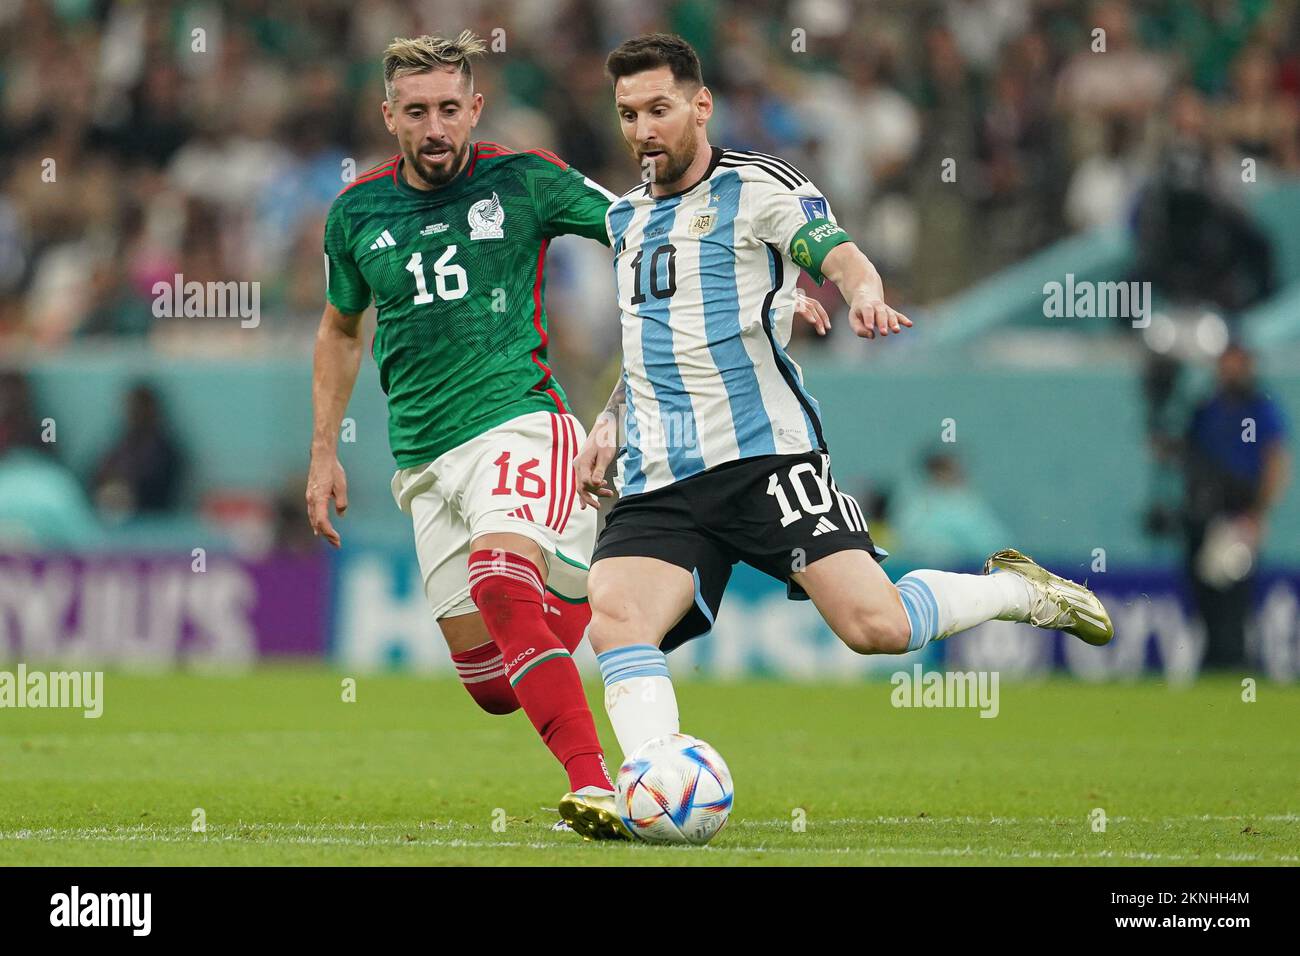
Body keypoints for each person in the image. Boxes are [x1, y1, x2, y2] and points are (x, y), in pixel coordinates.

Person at [573, 36, 1114, 829]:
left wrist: (861, 291)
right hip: (662, 475)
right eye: (628, 115)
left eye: (659, 109)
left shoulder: (758, 187)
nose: (644, 130)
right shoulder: (625, 219)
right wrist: (608, 422)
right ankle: (650, 792)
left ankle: (1020, 589)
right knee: (614, 613)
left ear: (700, 105)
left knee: (877, 627)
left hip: (766, 460)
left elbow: (836, 251)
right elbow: (650, 342)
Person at [305, 32, 623, 832]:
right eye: (417, 112)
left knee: (502, 584)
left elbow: (643, 232)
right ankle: (584, 571)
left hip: (519, 422)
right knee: (490, 687)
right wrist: (322, 453)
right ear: (389, 117)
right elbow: (341, 330)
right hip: (421, 459)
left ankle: (597, 786)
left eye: (450, 108)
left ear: (476, 107)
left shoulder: (526, 180)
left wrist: (753, 287)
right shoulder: (356, 212)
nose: (436, 127)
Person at [1183, 344, 1290, 669]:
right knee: (1205, 594)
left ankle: (1235, 662)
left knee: (1235, 595)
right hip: (1205, 513)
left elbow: (1275, 460)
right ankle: (1214, 661)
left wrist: (1259, 513)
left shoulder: (1259, 408)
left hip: (1240, 515)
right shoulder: (1207, 407)